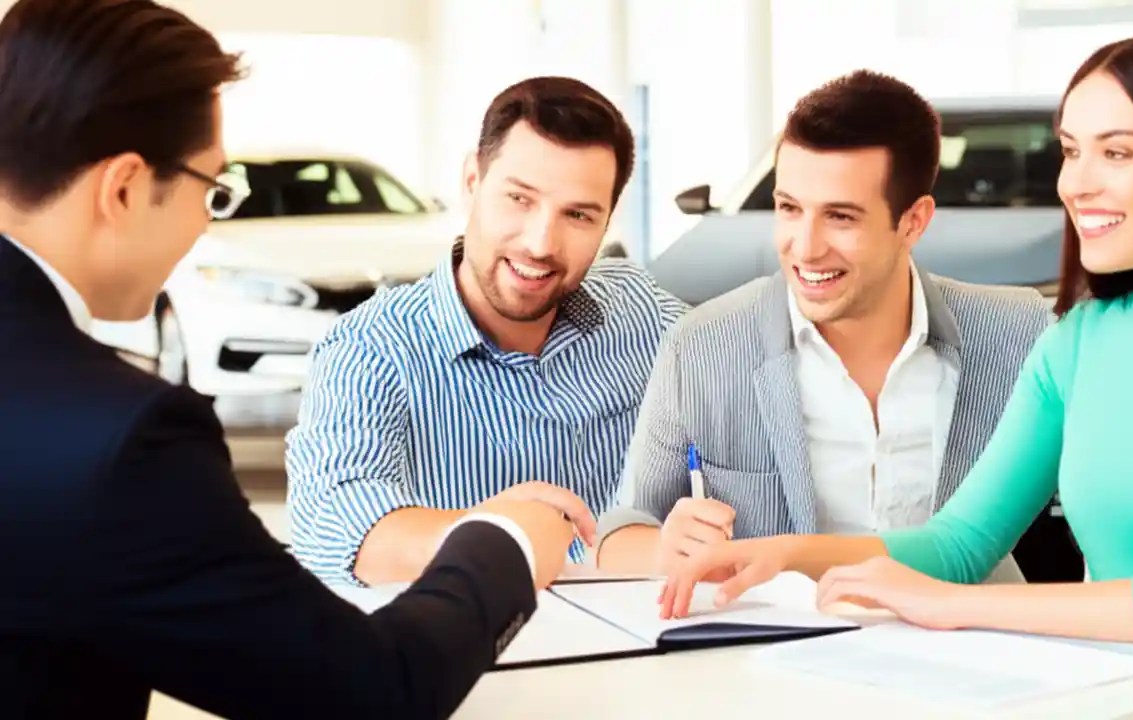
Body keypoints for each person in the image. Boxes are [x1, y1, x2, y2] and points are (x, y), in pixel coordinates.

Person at [0, 1, 585, 718]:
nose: (201, 221)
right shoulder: (120, 441)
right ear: (123, 188)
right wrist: (503, 541)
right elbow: (368, 691)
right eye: (211, 191)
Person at [659, 29, 1133, 647]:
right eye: (1070, 150)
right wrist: (781, 554)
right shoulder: (1079, 344)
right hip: (1126, 694)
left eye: (1116, 153)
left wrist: (957, 607)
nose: (1075, 183)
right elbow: (959, 545)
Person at [594, 70, 1051, 581]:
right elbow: (620, 530)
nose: (805, 248)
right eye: (789, 208)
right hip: (773, 651)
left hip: (975, 643)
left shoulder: (1018, 333)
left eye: (840, 217)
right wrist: (664, 548)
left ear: (914, 221)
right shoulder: (703, 345)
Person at [286, 76, 688, 588]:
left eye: (579, 215)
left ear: (608, 220)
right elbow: (333, 528)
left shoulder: (642, 310)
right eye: (520, 199)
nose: (541, 243)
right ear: (472, 181)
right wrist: (496, 537)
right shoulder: (371, 348)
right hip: (475, 655)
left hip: (646, 646)